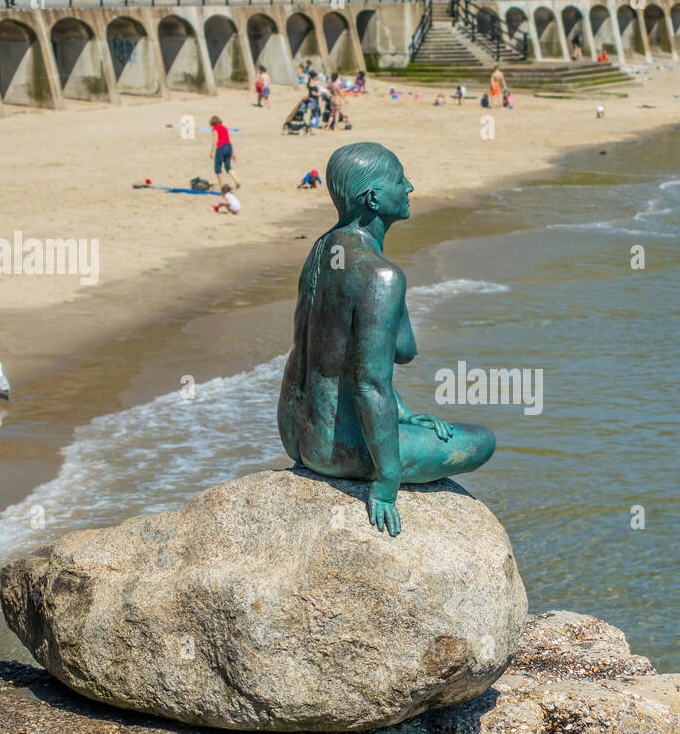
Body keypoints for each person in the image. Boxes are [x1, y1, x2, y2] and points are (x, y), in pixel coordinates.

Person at [277, 142, 496, 537]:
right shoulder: (380, 276)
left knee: (421, 424)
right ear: (373, 198)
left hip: (297, 435)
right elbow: (372, 383)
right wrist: (386, 481)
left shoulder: (324, 247)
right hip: (335, 449)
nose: (409, 186)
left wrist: (403, 413)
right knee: (481, 441)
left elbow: (334, 357)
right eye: (399, 179)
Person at [209, 115, 239, 190]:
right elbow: (229, 140)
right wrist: (233, 153)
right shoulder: (224, 128)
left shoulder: (215, 128)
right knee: (227, 166)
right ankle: (236, 180)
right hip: (229, 147)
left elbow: (215, 140)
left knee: (218, 166)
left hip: (221, 147)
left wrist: (212, 151)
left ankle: (221, 184)